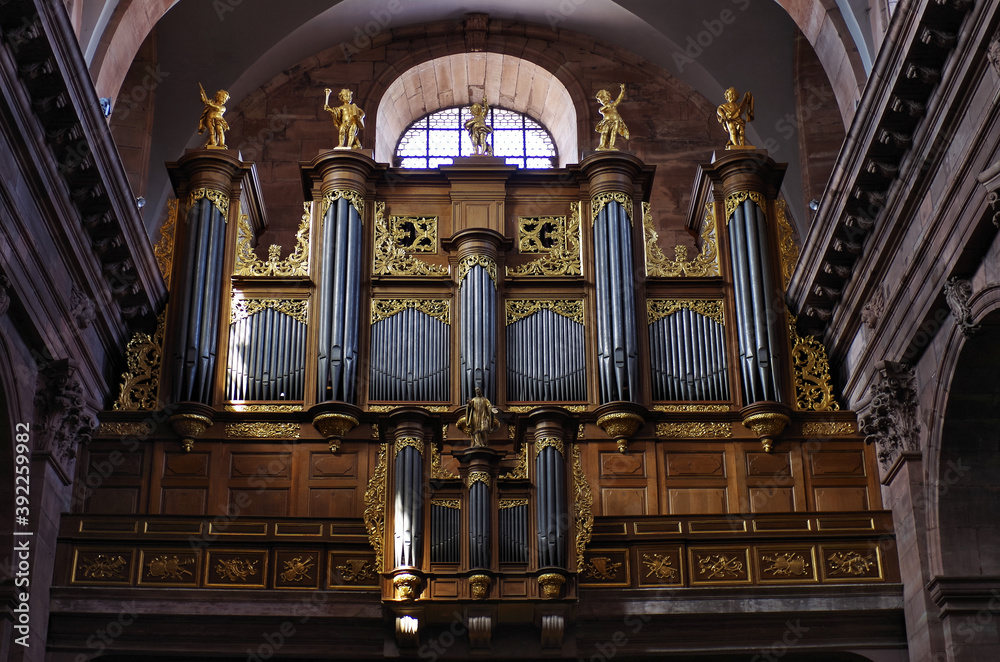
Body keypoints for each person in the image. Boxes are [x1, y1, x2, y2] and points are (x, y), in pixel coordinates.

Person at [595, 83, 629, 151]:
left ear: (609, 96)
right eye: (602, 99)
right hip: (607, 122)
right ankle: (602, 146)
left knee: (613, 133)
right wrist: (607, 106)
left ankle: (611, 146)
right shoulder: (603, 108)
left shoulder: (613, 104)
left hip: (615, 121)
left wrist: (622, 90)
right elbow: (601, 110)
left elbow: (619, 99)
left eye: (605, 97)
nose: (604, 99)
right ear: (600, 101)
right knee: (604, 133)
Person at [198, 84, 229, 149]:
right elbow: (205, 101)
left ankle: (222, 144)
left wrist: (211, 105)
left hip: (218, 120)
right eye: (222, 97)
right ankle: (213, 144)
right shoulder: (212, 102)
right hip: (209, 120)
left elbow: (218, 108)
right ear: (217, 96)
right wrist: (202, 95)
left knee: (220, 131)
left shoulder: (223, 107)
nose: (224, 100)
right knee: (212, 132)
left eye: (225, 99)